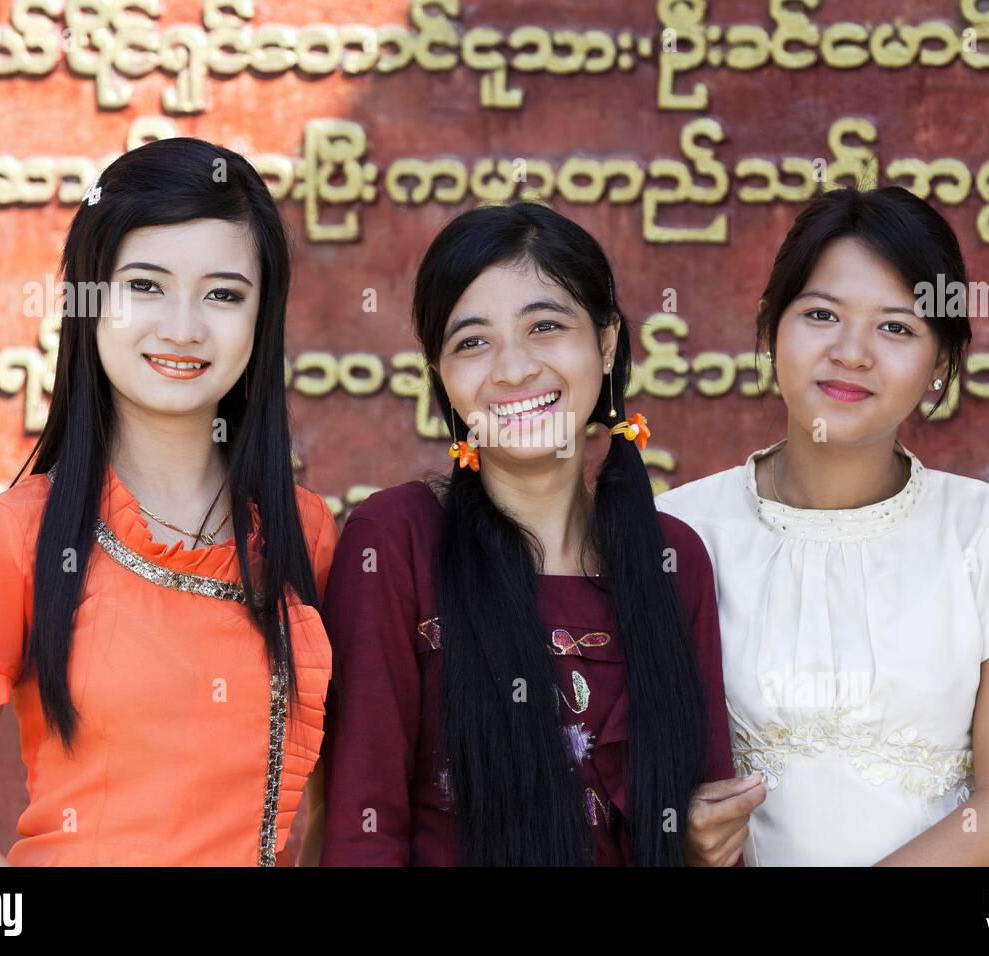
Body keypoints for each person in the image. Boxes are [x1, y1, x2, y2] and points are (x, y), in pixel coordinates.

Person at [0, 137, 335, 866]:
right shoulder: (17, 535)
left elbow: (329, 820)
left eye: (222, 294)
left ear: (263, 317)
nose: (183, 327)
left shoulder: (305, 535)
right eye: (145, 286)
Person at [318, 202, 761, 866]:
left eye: (545, 327)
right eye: (472, 342)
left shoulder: (673, 558)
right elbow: (363, 837)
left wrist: (701, 843)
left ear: (606, 344)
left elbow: (704, 819)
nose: (514, 368)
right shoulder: (395, 541)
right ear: (440, 373)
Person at [657, 186, 989, 866]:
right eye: (821, 314)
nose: (852, 352)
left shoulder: (988, 531)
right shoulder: (678, 532)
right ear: (768, 328)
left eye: (897, 327)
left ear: (940, 363)